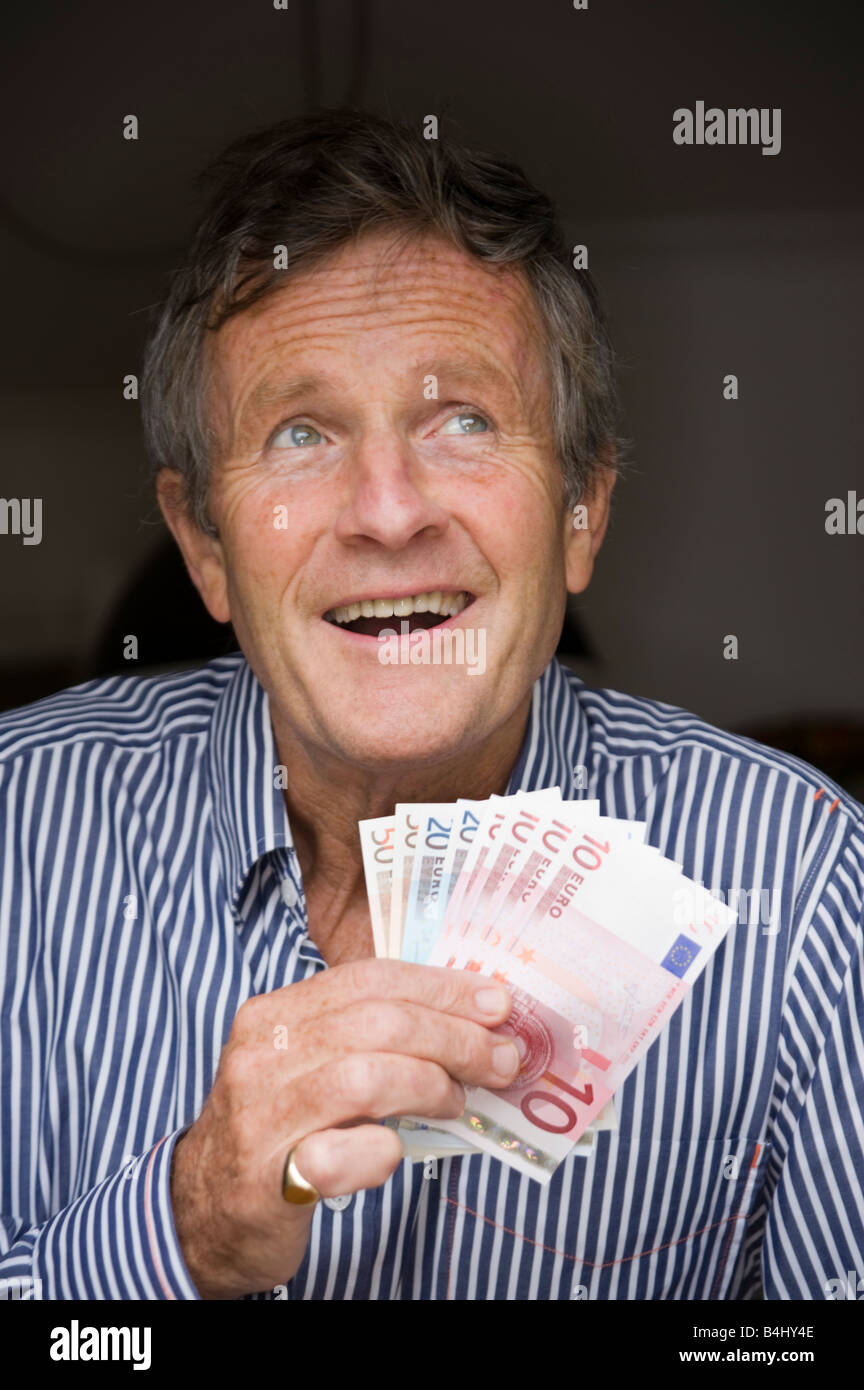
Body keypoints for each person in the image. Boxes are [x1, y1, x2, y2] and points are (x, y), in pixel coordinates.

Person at [1, 109, 862, 1302]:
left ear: (583, 512)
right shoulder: (14, 824)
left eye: (462, 419)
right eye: (302, 433)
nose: (390, 511)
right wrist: (179, 1231)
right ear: (203, 544)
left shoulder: (811, 887)